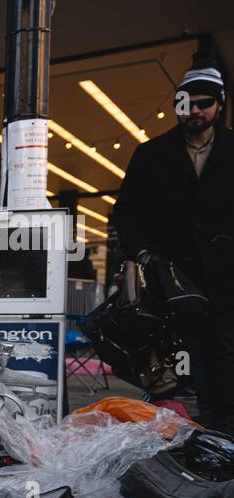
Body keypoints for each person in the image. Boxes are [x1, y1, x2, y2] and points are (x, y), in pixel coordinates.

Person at [113, 58, 234, 430]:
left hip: (226, 281)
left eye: (204, 103)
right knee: (172, 364)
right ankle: (177, 436)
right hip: (171, 280)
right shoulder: (151, 154)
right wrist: (144, 254)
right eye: (187, 103)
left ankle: (223, 434)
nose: (195, 110)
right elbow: (125, 213)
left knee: (225, 358)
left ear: (219, 104)